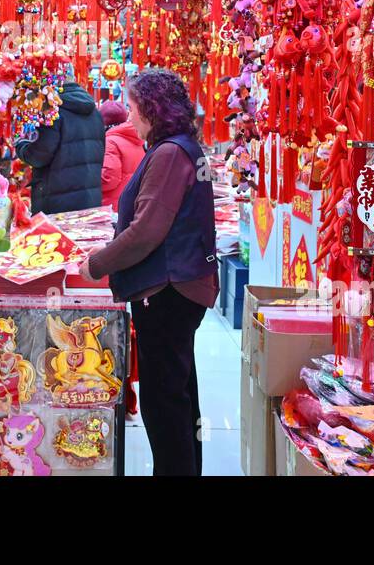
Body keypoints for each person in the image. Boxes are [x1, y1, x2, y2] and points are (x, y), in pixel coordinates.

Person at [80, 68, 217, 476]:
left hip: (168, 290)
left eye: (134, 106)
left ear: (154, 109)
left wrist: (96, 263)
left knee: (164, 401)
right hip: (180, 287)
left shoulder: (171, 154)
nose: (129, 115)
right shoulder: (181, 148)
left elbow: (147, 231)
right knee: (179, 392)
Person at [14, 80, 105, 215]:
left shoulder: (52, 112)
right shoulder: (95, 113)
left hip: (57, 202)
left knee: (56, 237)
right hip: (89, 198)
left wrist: (21, 145)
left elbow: (39, 157)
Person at [99, 99, 145, 209]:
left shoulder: (110, 141)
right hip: (129, 202)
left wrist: (88, 180)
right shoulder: (135, 139)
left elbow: (108, 178)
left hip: (112, 205)